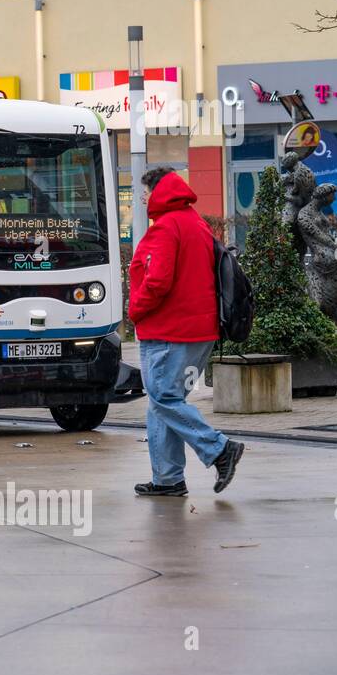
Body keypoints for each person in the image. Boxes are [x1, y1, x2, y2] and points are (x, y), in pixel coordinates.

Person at [129, 167, 244, 496]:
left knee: (164, 398)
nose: (143, 198)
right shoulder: (196, 223)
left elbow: (157, 281)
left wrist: (135, 310)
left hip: (169, 330)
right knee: (164, 400)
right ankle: (168, 479)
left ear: (158, 190)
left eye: (146, 191)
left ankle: (220, 450)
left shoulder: (165, 227)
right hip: (199, 330)